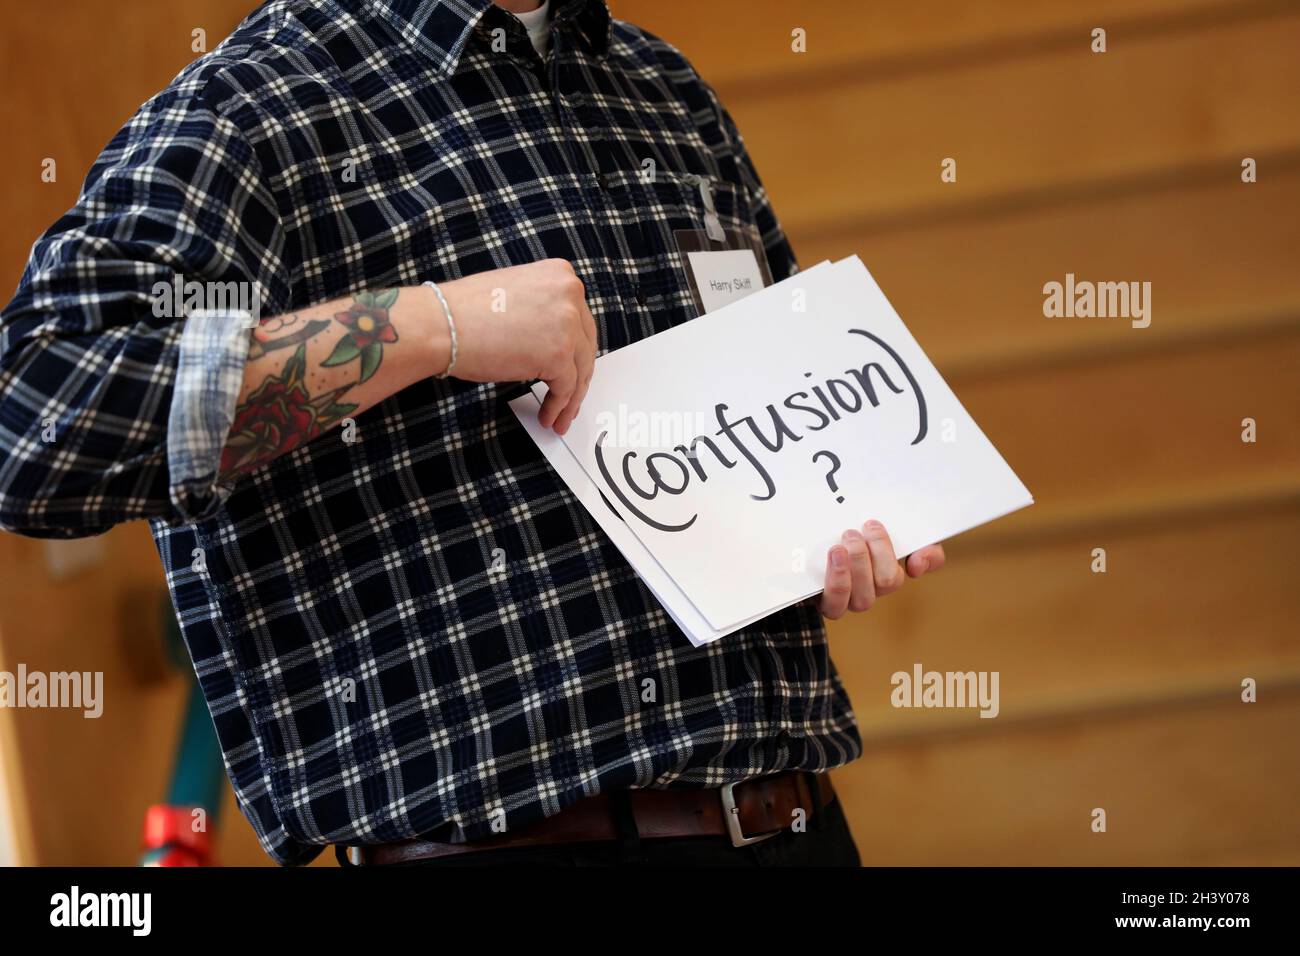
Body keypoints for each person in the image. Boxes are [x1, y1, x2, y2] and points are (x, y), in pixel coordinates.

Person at [0, 0, 945, 866]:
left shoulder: (668, 90)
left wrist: (816, 534)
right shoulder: (250, 105)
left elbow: (771, 412)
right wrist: (434, 326)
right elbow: (37, 414)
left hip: (797, 823)